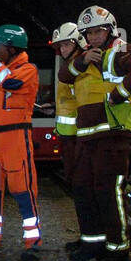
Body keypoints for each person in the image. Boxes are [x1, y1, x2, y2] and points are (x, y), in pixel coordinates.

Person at [61, 5, 131, 261]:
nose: (92, 37)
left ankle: (117, 249)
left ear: (109, 30)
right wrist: (82, 60)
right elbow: (64, 75)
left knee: (107, 191)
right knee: (83, 188)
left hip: (113, 135)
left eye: (97, 32)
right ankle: (92, 243)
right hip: (88, 136)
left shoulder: (120, 49)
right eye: (88, 33)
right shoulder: (85, 55)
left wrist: (118, 94)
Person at [0, 25, 42, 261]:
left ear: (11, 48)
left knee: (23, 191)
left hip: (16, 140)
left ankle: (32, 243)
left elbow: (11, 83)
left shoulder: (27, 70)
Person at [48, 23, 86, 186]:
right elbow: (71, 97)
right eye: (60, 46)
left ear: (78, 42)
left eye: (66, 44)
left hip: (80, 135)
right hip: (69, 136)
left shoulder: (82, 65)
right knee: (74, 178)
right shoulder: (70, 65)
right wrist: (54, 106)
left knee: (80, 179)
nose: (62, 49)